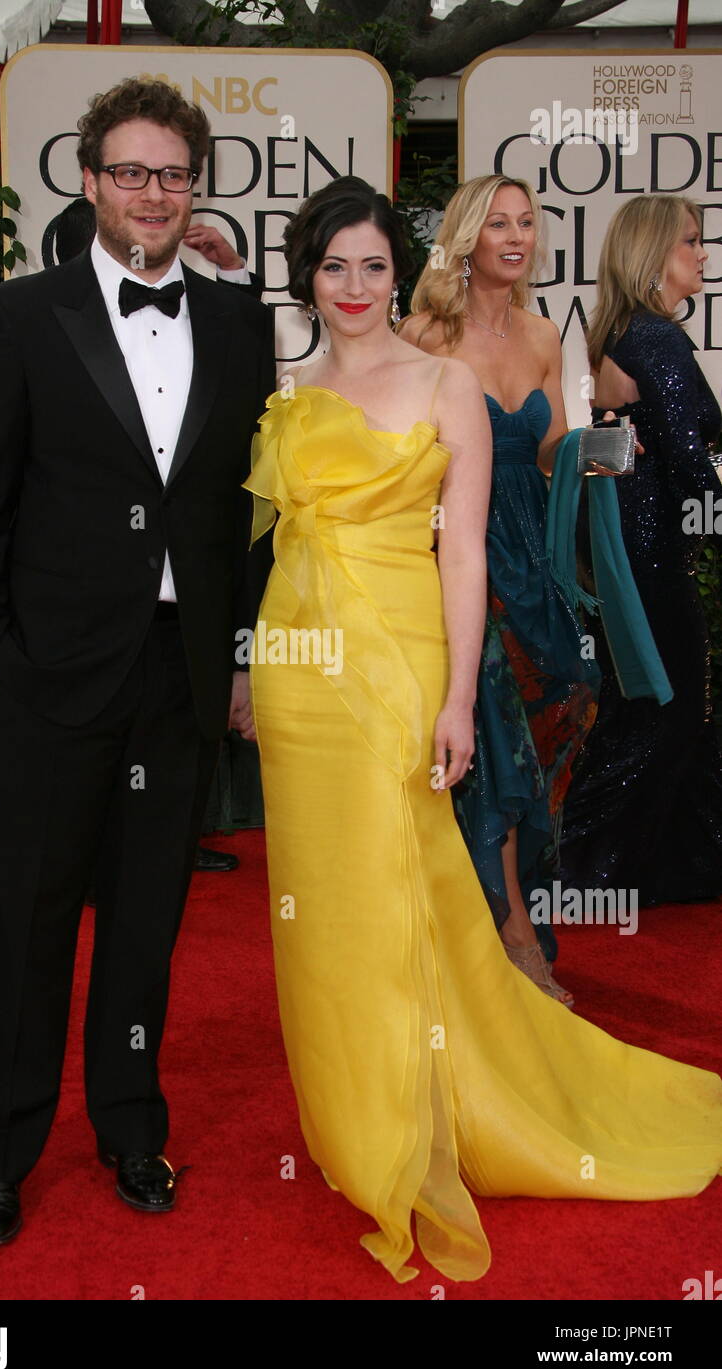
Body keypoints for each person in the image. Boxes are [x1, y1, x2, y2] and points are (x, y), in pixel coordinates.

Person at [243, 175, 722, 1285]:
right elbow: (273, 543)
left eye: (372, 264)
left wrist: (458, 696)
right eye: (333, 266)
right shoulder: (291, 383)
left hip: (401, 665)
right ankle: (361, 1113)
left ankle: (428, 1112)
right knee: (321, 907)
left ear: (395, 271)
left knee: (402, 887)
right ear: (306, 276)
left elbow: (461, 553)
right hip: (297, 675)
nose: (354, 286)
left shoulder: (440, 383)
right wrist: (252, 670)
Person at [0, 78, 274, 1246]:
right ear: (89, 182)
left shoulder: (240, 326)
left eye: (173, 173)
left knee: (145, 922)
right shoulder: (20, 317)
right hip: (47, 674)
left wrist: (237, 655)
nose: (152, 192)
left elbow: (251, 512)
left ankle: (132, 1129)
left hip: (176, 672)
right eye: (131, 171)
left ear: (195, 190)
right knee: (22, 926)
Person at [397, 175, 600, 1008]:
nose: (515, 237)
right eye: (497, 224)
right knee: (494, 739)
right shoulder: (424, 335)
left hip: (534, 555)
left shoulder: (545, 334)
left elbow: (550, 450)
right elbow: (406, 464)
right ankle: (514, 934)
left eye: (526, 223)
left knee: (572, 699)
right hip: (463, 553)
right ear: (467, 239)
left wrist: (605, 451)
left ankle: (506, 898)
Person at [47, 192, 258, 876]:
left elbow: (241, 491)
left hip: (186, 625)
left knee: (159, 851)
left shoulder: (219, 324)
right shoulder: (37, 324)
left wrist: (241, 655)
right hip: (77, 626)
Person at [560, 194, 722, 903]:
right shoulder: (655, 338)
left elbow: (634, 452)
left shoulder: (628, 332)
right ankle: (598, 871)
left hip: (635, 545)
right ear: (655, 257)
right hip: (652, 548)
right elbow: (689, 464)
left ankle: (629, 866)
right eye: (691, 242)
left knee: (644, 707)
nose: (703, 255)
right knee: (668, 708)